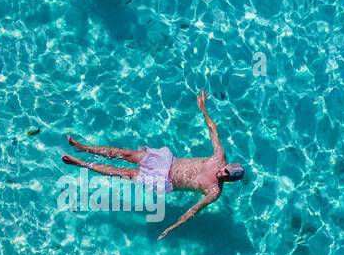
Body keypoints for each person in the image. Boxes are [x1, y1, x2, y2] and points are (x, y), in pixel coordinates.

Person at [61, 89, 245, 241]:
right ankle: (82, 147)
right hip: (166, 161)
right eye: (225, 170)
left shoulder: (214, 191)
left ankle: (83, 164)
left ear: (229, 181)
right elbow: (213, 129)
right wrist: (203, 108)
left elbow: (193, 211)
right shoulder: (219, 157)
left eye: (226, 176)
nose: (222, 174)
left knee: (122, 172)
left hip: (164, 181)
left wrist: (172, 227)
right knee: (124, 153)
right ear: (227, 165)